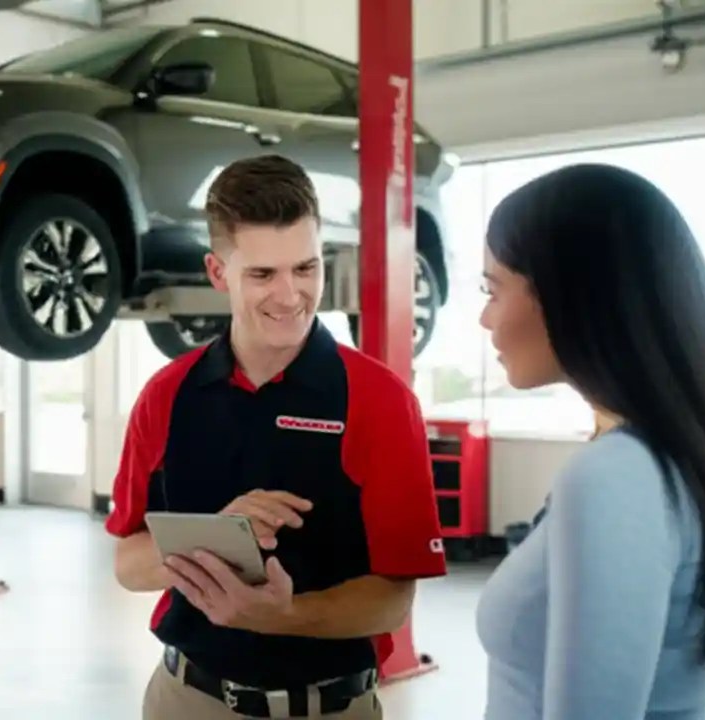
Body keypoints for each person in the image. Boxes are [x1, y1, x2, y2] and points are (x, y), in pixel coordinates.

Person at [104, 154, 448, 720]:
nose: (290, 297)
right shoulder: (166, 397)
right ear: (219, 273)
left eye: (305, 269)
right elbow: (129, 563)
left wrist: (282, 615)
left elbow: (392, 599)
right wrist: (218, 538)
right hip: (187, 701)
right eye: (263, 274)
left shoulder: (381, 401)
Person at [475, 163, 705, 719]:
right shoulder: (676, 459)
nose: (483, 317)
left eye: (493, 289)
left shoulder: (615, 476)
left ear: (569, 293)